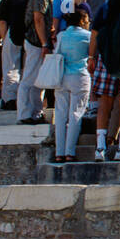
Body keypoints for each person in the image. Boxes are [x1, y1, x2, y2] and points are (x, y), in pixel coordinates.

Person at [88, 0, 120, 162]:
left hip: (106, 57)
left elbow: (95, 32)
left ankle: (100, 148)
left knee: (104, 104)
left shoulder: (107, 5)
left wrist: (91, 56)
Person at [18, 0, 61, 126]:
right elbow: (38, 19)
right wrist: (44, 43)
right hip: (36, 42)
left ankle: (36, 113)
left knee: (38, 80)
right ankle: (23, 114)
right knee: (29, 78)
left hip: (39, 42)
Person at [48, 8, 91, 163]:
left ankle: (59, 152)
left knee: (60, 115)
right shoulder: (88, 36)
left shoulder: (61, 35)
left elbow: (56, 52)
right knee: (76, 114)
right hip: (80, 75)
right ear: (82, 20)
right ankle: (69, 152)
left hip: (62, 76)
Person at [0, 0, 29, 110]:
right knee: (26, 68)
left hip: (12, 33)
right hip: (29, 36)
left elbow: (2, 22)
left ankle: (10, 99)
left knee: (10, 67)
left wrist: (4, 39)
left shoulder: (7, 0)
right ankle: (24, 98)